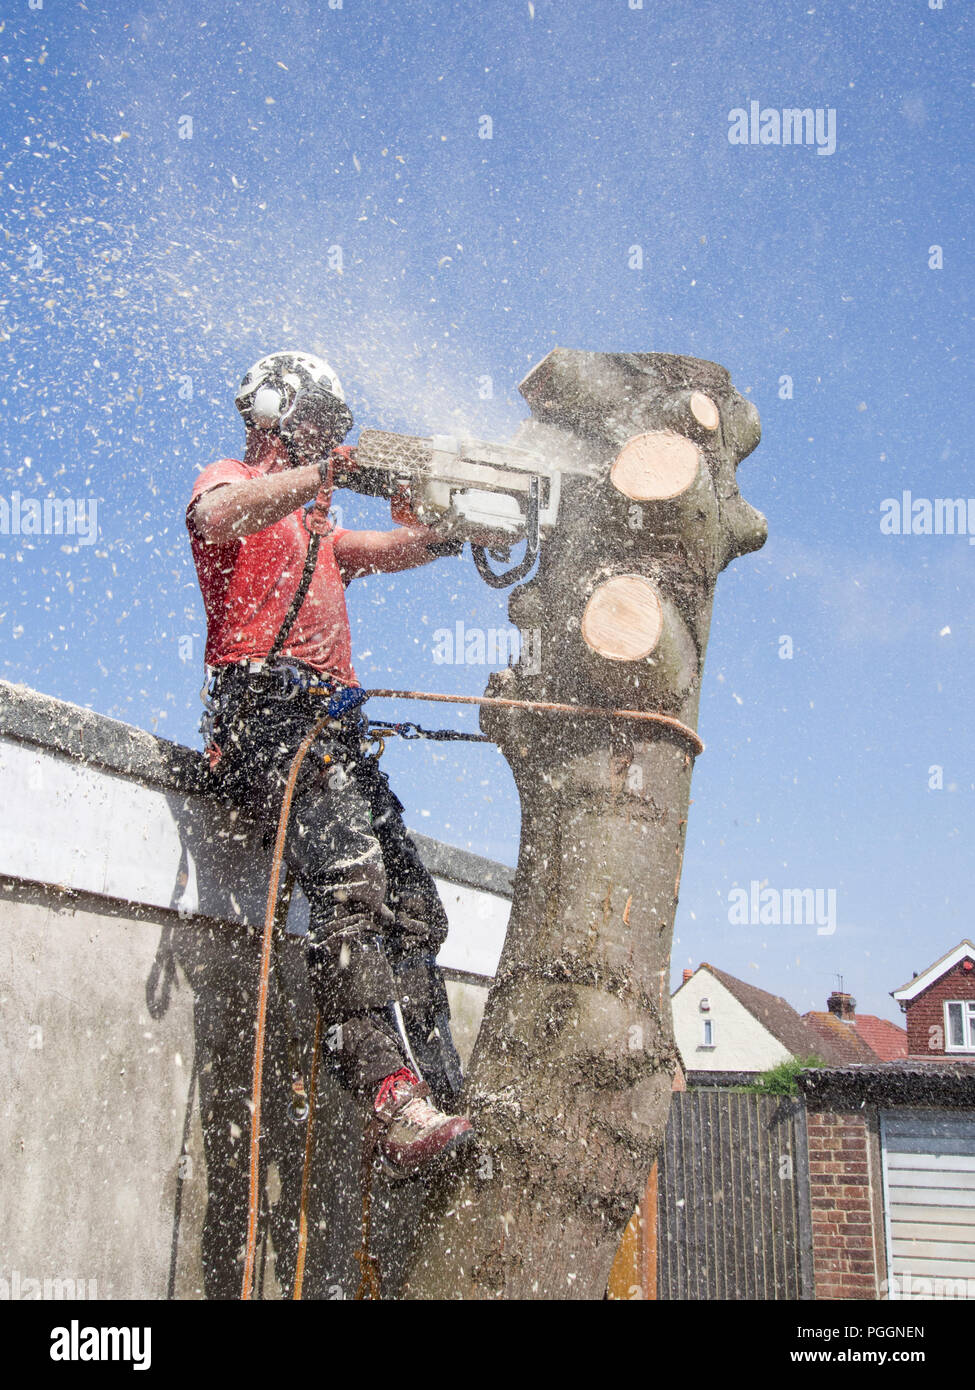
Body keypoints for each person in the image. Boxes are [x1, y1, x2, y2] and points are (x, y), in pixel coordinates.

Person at [186, 350, 473, 1176]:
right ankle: (388, 1098)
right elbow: (220, 517)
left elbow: (395, 546)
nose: (323, 437)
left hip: (331, 729)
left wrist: (460, 527)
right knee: (353, 887)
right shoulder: (234, 480)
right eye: (312, 422)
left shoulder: (322, 530)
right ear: (274, 411)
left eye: (331, 430)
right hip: (263, 719)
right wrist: (326, 473)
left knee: (415, 909)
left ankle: (439, 1094)